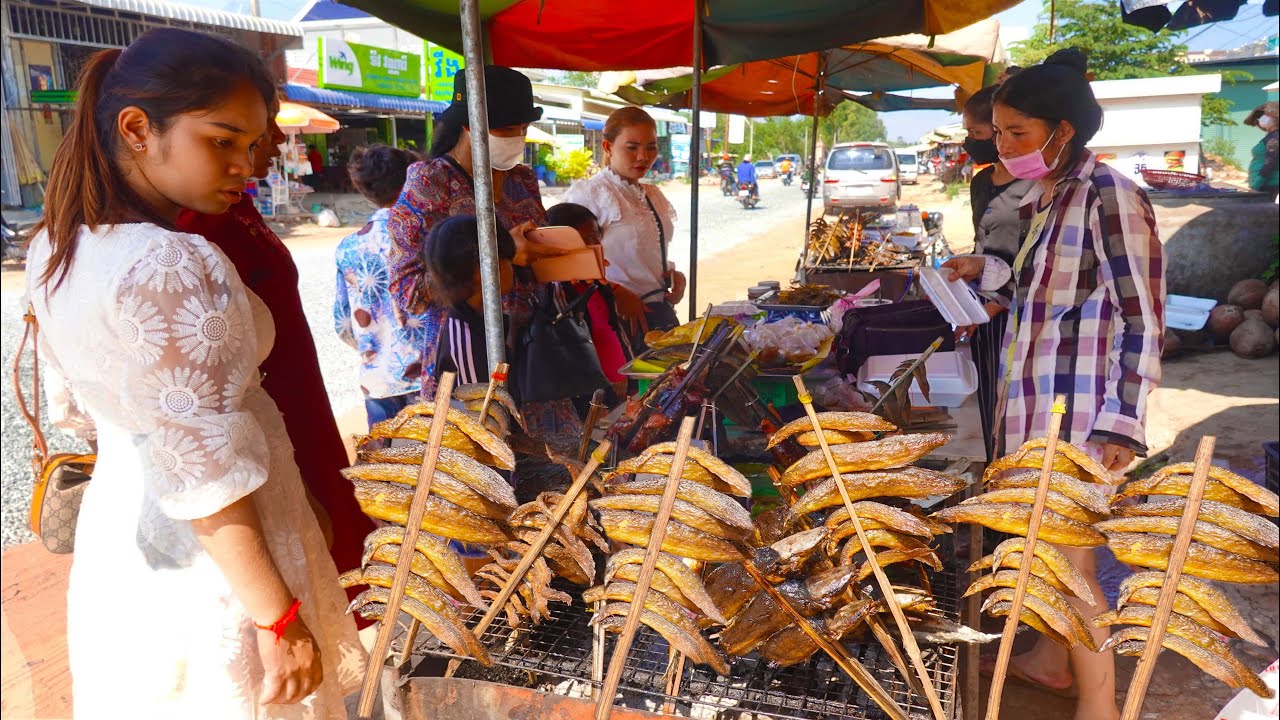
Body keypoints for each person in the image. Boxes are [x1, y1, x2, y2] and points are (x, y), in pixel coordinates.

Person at [25, 28, 364, 717]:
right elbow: (205, 473)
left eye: (252, 143)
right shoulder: (174, 260)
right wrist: (279, 619)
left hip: (126, 528)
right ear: (137, 129)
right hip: (218, 555)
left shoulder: (56, 246)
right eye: (222, 140)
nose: (246, 165)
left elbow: (79, 410)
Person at [944, 48, 1164, 720]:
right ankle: (1049, 661)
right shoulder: (1051, 196)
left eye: (1018, 133)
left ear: (1062, 131)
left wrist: (1120, 422)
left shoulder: (1110, 195)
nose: (1003, 146)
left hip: (1078, 420)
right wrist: (986, 270)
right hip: (1036, 408)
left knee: (1073, 573)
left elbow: (1142, 316)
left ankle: (1100, 708)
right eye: (999, 133)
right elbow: (1049, 293)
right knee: (1044, 556)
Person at [177, 119, 376, 620]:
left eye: (257, 139)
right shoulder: (186, 235)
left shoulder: (234, 204)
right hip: (265, 410)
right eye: (236, 140)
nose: (261, 154)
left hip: (301, 394)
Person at [387, 65, 579, 435]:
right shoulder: (431, 183)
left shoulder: (523, 179)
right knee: (481, 473)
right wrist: (500, 257)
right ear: (467, 125)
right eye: (507, 130)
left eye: (522, 129)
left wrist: (562, 255)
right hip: (466, 359)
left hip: (535, 355)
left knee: (548, 471)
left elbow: (532, 260)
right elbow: (407, 292)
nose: (518, 138)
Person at [957, 79, 1036, 463]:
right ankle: (995, 475)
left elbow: (1033, 258)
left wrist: (999, 301)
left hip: (1019, 314)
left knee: (1020, 406)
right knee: (990, 403)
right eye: (968, 133)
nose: (971, 141)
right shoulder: (980, 182)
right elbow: (982, 246)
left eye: (977, 132)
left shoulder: (1037, 186)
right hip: (981, 314)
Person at [564, 107, 686, 354]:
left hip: (658, 313)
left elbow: (644, 250)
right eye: (632, 147)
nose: (643, 156)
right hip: (616, 320)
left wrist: (672, 273)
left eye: (651, 147)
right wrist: (615, 291)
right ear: (608, 148)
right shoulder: (591, 194)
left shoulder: (652, 194)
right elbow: (566, 261)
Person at [334, 143, 424, 426]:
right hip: (425, 375)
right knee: (436, 463)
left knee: (387, 465)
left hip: (378, 379)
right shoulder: (427, 237)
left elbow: (342, 323)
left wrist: (375, 347)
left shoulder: (348, 247)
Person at [545, 202, 630, 402]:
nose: (597, 246)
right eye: (588, 239)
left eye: (597, 237)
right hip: (589, 392)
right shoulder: (555, 292)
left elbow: (611, 330)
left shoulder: (596, 284)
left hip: (616, 382)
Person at [425, 215, 518, 386]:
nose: (512, 269)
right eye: (507, 260)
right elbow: (480, 411)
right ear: (481, 269)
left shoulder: (479, 321)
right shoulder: (465, 344)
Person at [1244, 101, 1278, 198]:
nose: (1261, 118)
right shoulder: (1271, 136)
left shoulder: (1275, 137)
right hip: (1263, 184)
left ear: (1276, 118)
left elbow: (1270, 164)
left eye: (1266, 115)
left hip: (1267, 184)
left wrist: (1256, 186)